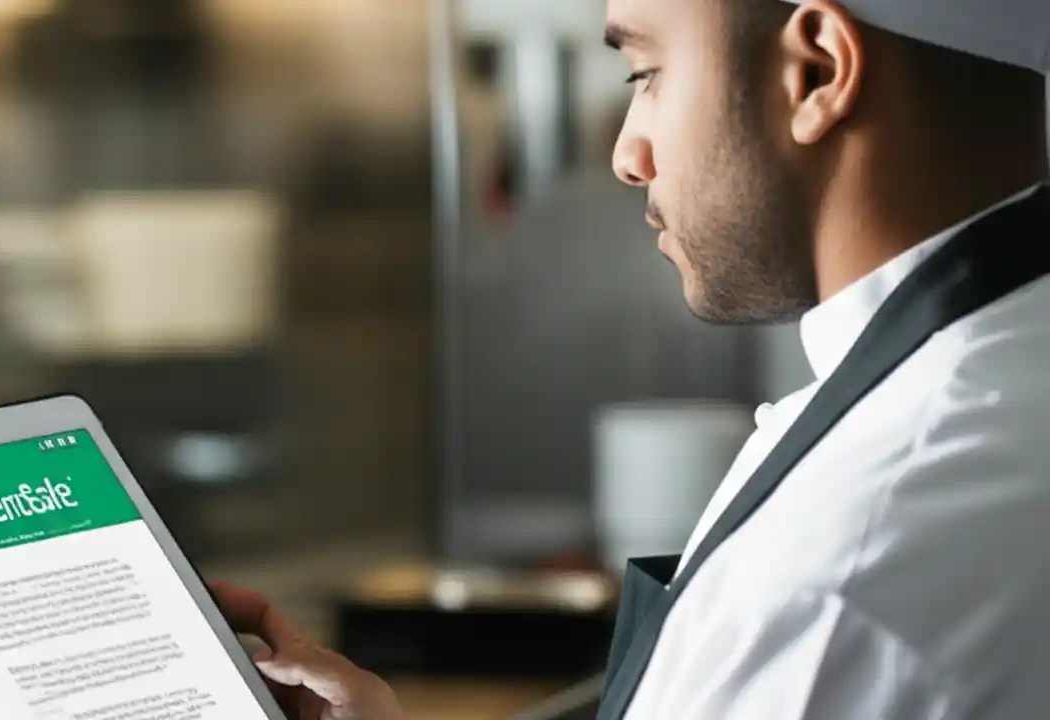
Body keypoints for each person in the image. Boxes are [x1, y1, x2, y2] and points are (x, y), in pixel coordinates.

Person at [213, 0, 1050, 717]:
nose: (627, 154)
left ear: (817, 72)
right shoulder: (999, 374)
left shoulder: (844, 576)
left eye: (644, 75)